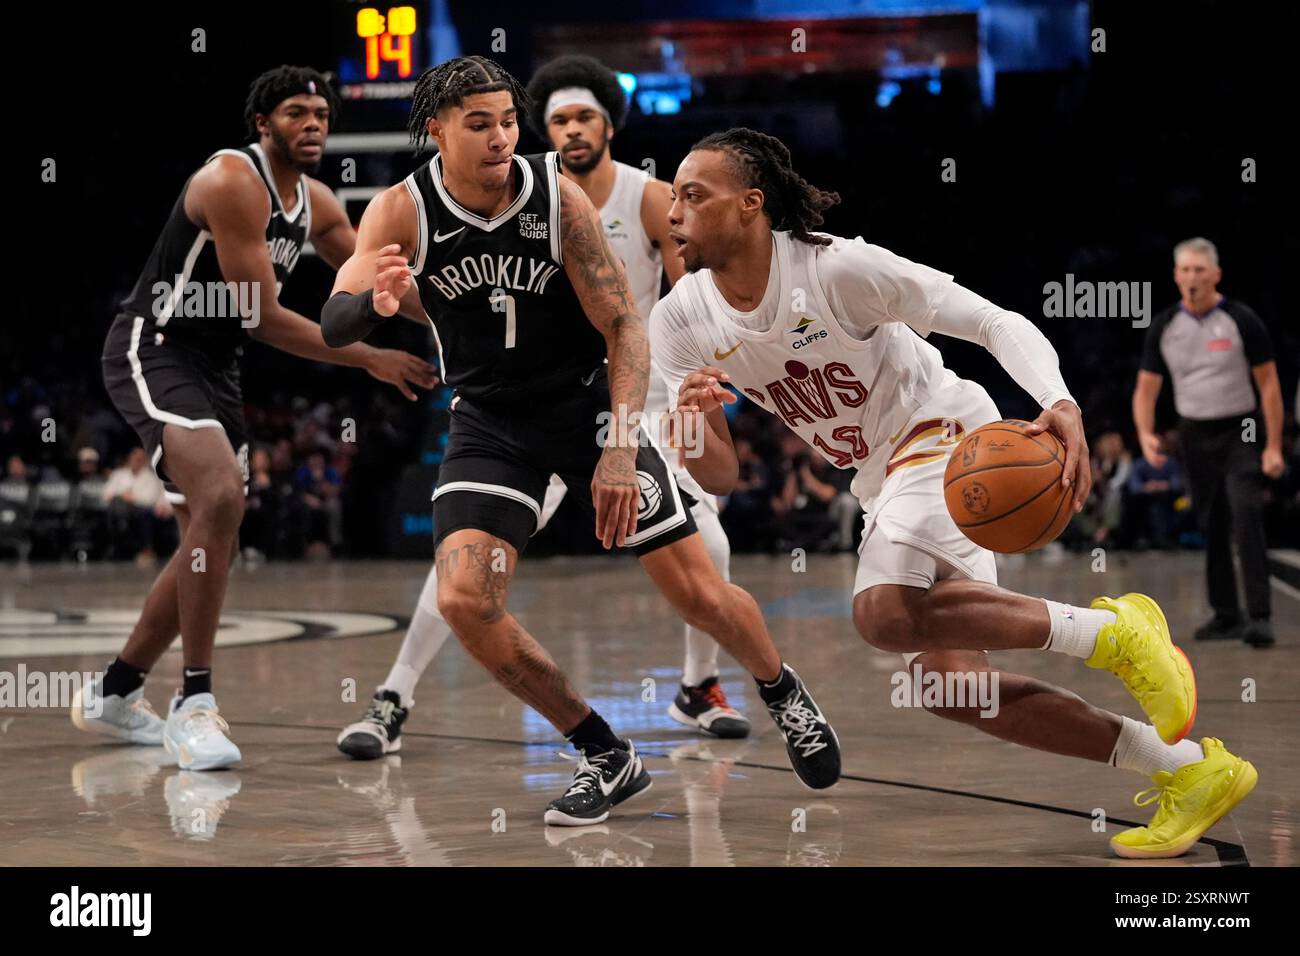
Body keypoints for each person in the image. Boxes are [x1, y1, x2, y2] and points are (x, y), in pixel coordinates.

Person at [650, 127, 1257, 858]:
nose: (674, 211)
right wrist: (695, 422)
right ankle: (1185, 772)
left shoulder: (839, 270)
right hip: (881, 478)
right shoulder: (679, 320)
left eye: (693, 195)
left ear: (750, 205)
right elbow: (715, 475)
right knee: (951, 688)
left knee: (880, 614)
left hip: (945, 437)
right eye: (673, 197)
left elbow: (991, 320)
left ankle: (1115, 636)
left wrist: (1059, 401)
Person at [321, 57, 840, 826]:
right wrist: (374, 302)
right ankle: (605, 752)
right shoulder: (401, 211)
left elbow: (624, 325)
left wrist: (622, 449)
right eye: (480, 124)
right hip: (490, 422)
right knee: (465, 597)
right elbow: (336, 322)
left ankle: (779, 688)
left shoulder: (555, 196)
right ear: (436, 130)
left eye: (507, 120)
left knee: (699, 589)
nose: (502, 137)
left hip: (587, 405)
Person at [72, 65, 438, 770]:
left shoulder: (321, 205)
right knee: (219, 497)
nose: (313, 125)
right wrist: (371, 358)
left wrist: (451, 320)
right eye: (297, 112)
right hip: (158, 346)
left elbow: (377, 276)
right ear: (262, 123)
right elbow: (262, 318)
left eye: (322, 115)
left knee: (208, 540)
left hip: (218, 368)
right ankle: (195, 702)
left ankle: (116, 692)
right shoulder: (232, 182)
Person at [1133, 237, 1284, 647]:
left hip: (1240, 431)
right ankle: (1226, 615)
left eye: (1200, 269)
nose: (1192, 277)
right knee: (1211, 522)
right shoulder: (1165, 326)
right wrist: (1146, 436)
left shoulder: (1241, 319)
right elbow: (1146, 390)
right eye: (1185, 270)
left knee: (1245, 512)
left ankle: (1260, 615)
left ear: (1216, 274)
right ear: (1176, 276)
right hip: (1194, 434)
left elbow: (1269, 385)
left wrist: (1272, 445)